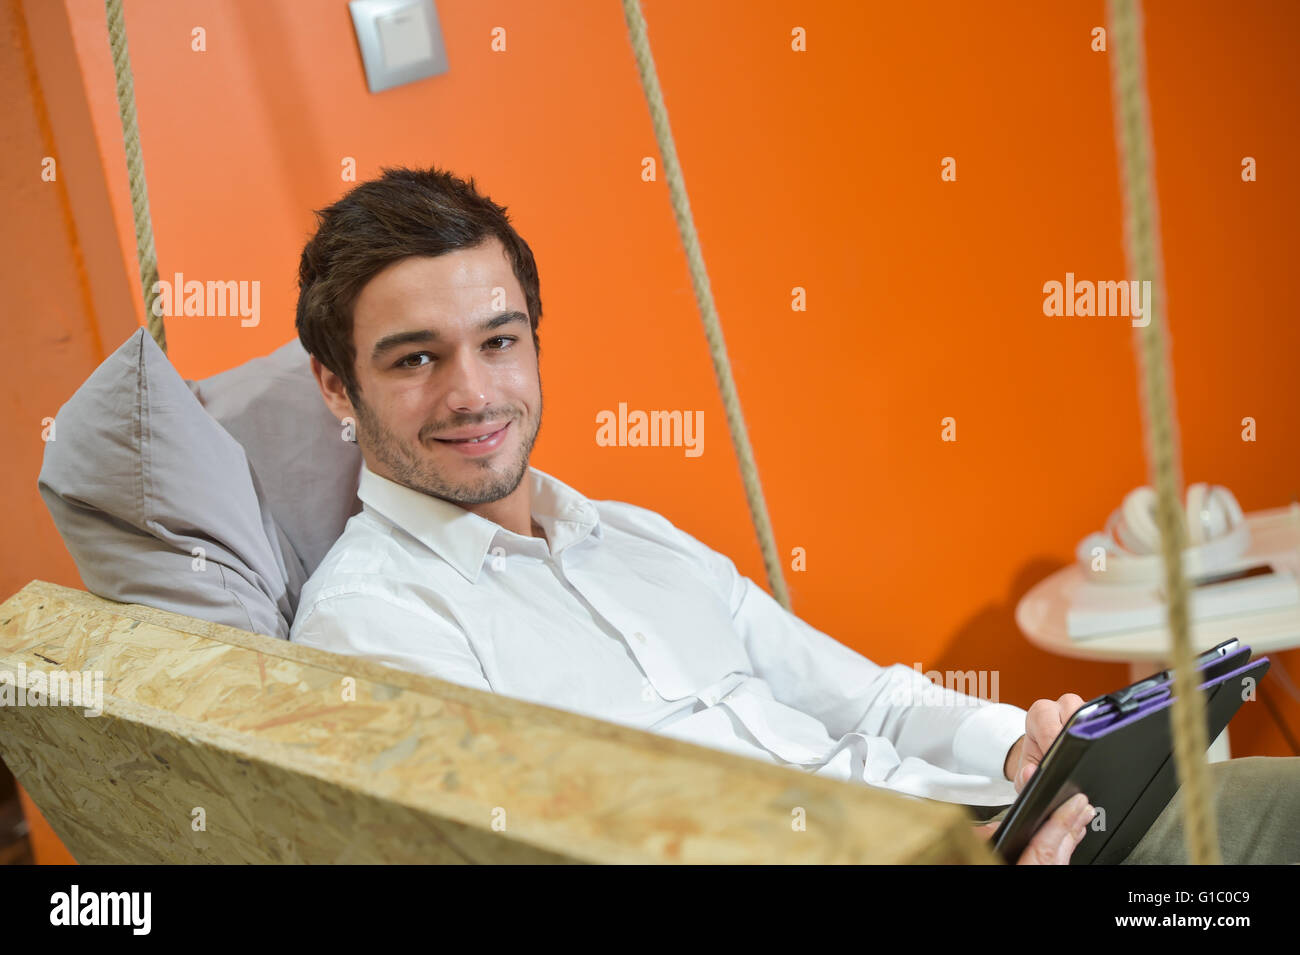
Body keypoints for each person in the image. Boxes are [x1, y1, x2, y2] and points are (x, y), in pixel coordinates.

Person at [289, 166, 1298, 865]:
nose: (472, 392)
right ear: (337, 389)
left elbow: (875, 706)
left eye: (499, 341)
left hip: (992, 824)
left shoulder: (633, 539)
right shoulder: (373, 625)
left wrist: (1020, 748)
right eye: (415, 358)